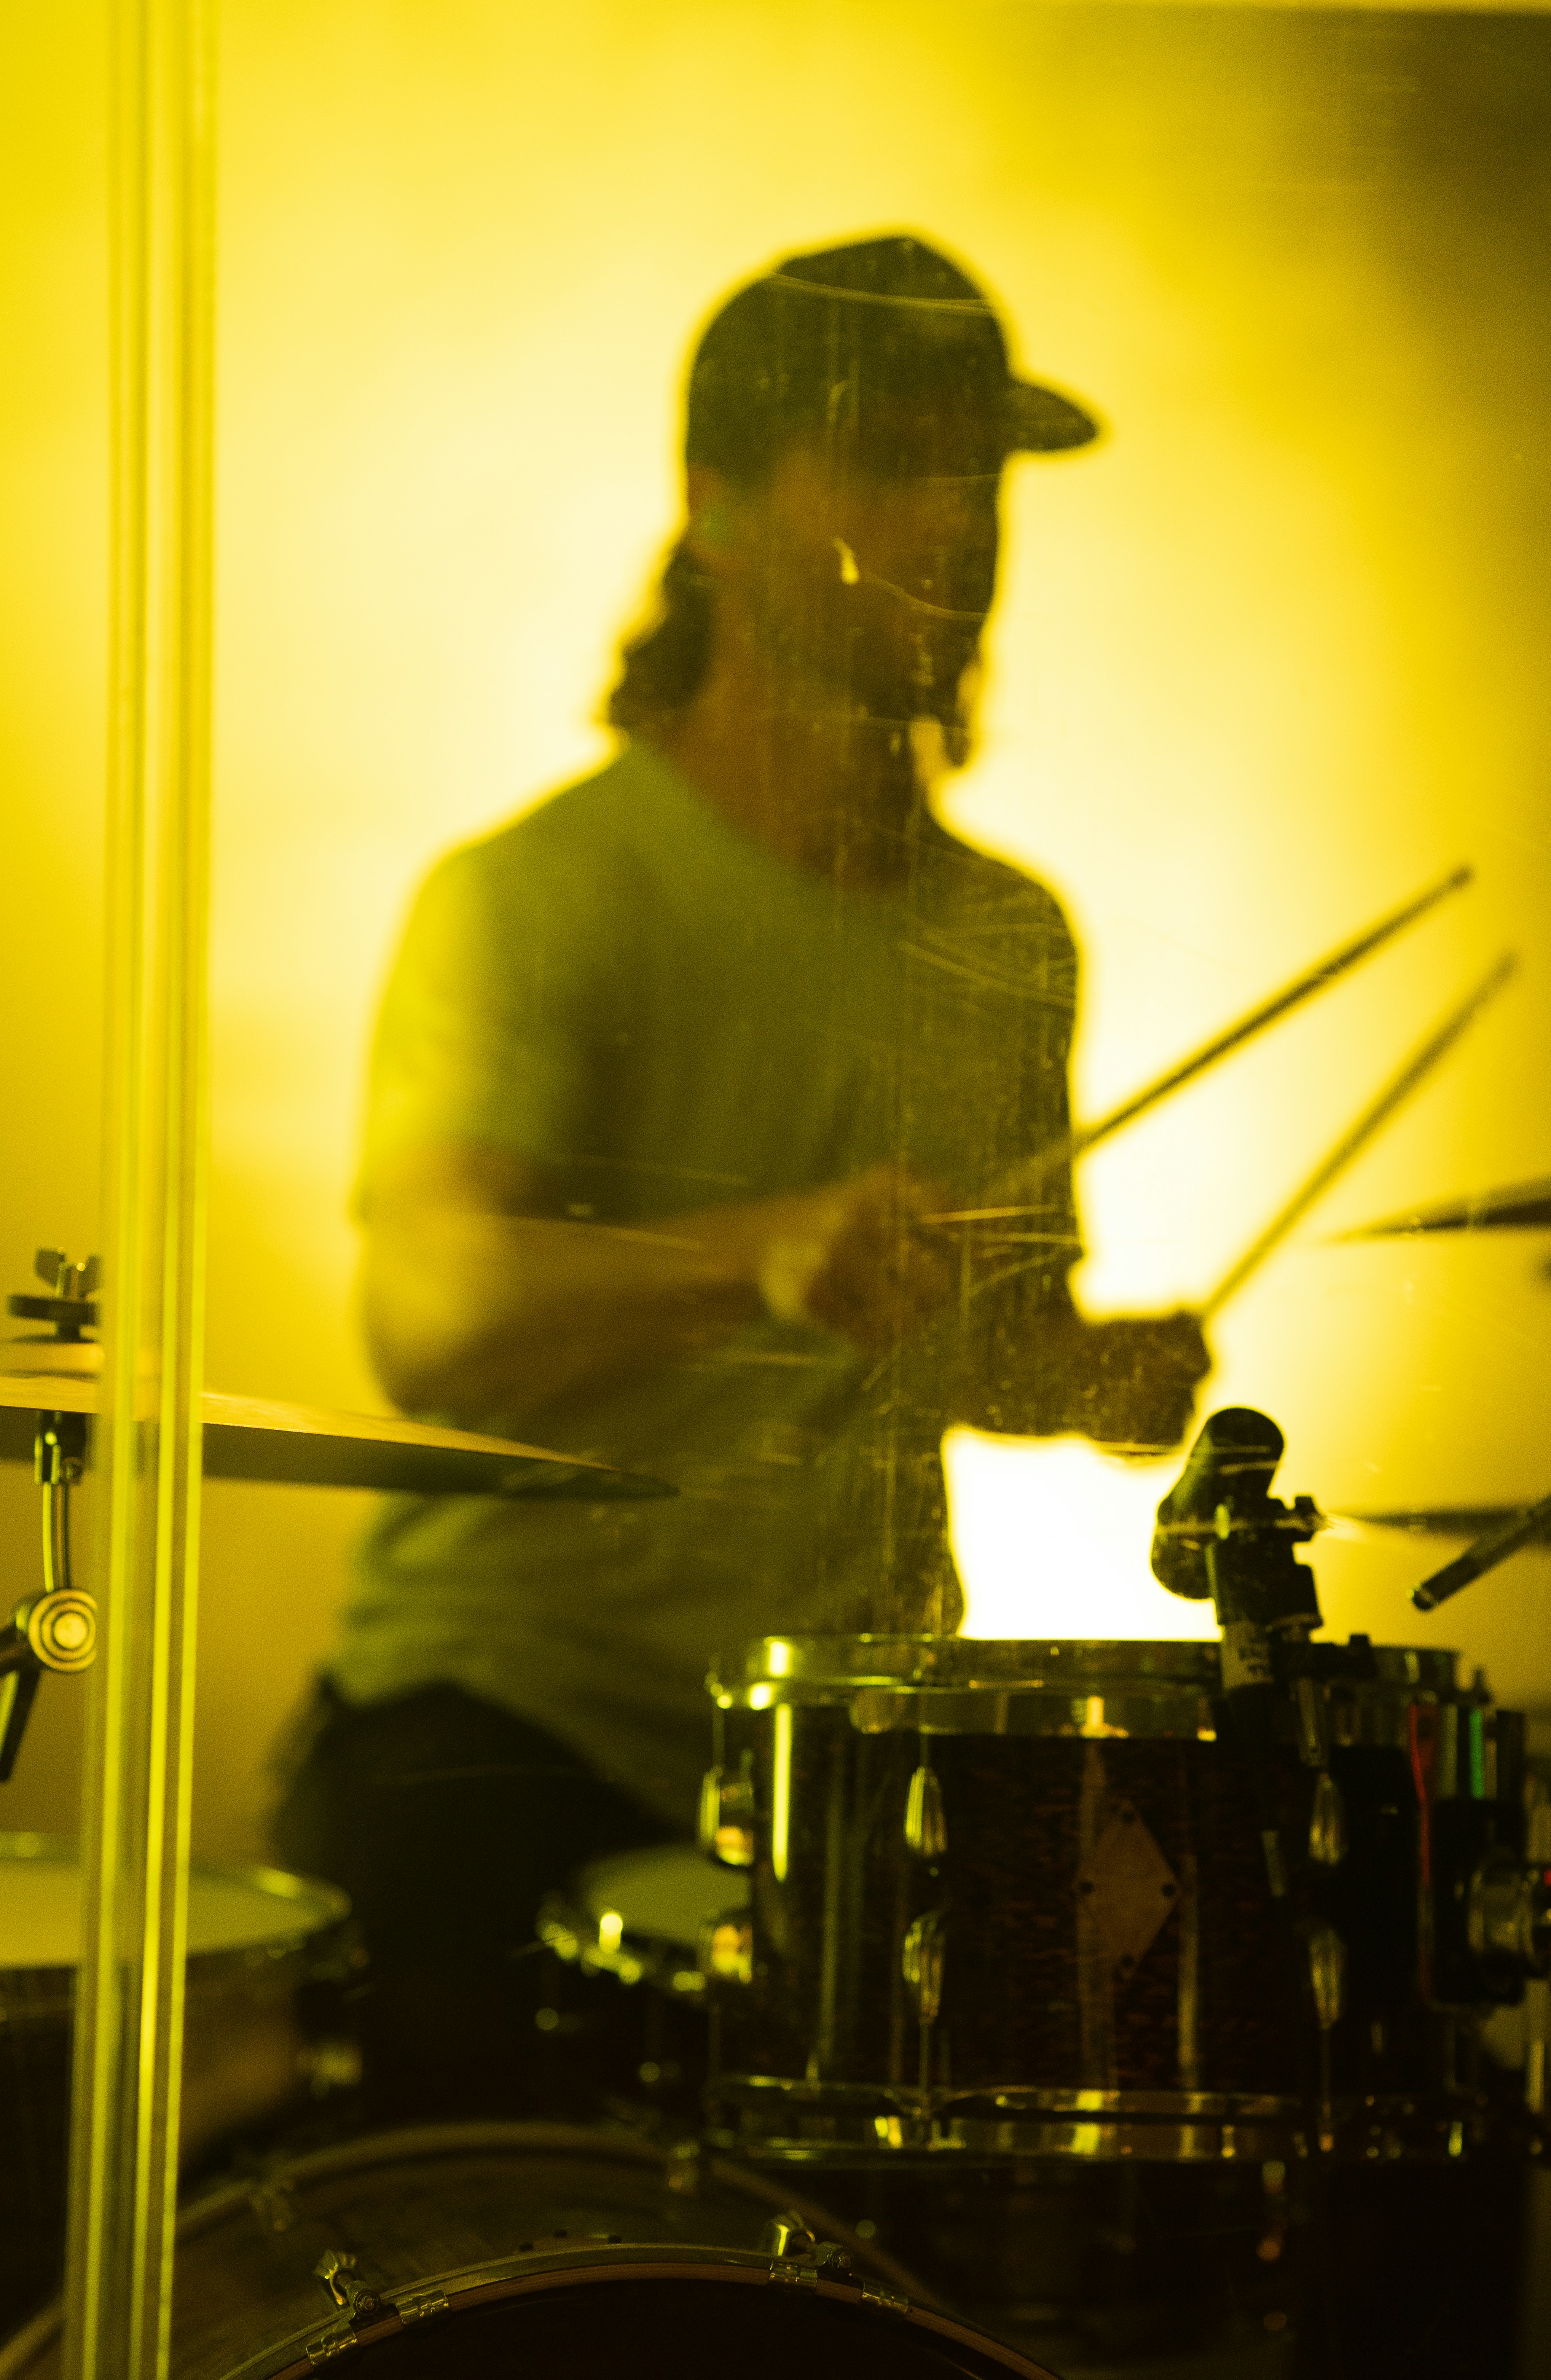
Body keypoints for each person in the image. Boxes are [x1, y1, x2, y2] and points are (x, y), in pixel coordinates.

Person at [273, 233, 1210, 2115]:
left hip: (841, 1762)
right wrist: (762, 1250)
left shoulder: (1008, 933)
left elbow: (954, 1334)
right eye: (891, 462)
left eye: (978, 473)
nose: (954, 524)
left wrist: (1086, 1375)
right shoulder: (541, 892)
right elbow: (429, 1314)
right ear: (714, 506)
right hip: (504, 1739)